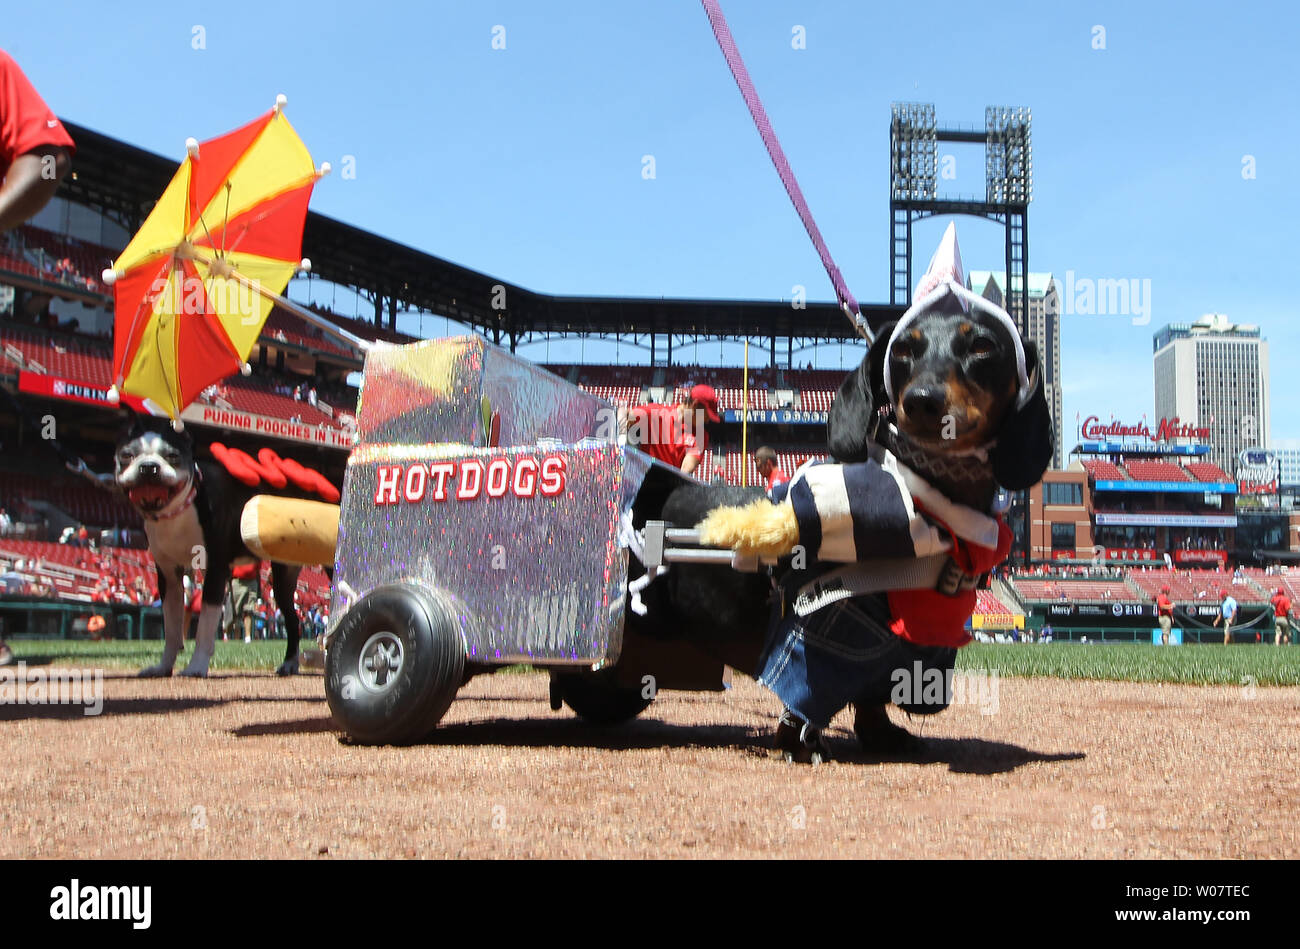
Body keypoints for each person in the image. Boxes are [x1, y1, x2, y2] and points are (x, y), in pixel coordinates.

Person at [622, 383, 720, 476]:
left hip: (670, 487)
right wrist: (622, 431)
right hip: (643, 482)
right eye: (706, 416)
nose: (707, 421)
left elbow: (686, 469)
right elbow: (625, 413)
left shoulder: (701, 436)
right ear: (695, 405)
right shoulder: (655, 413)